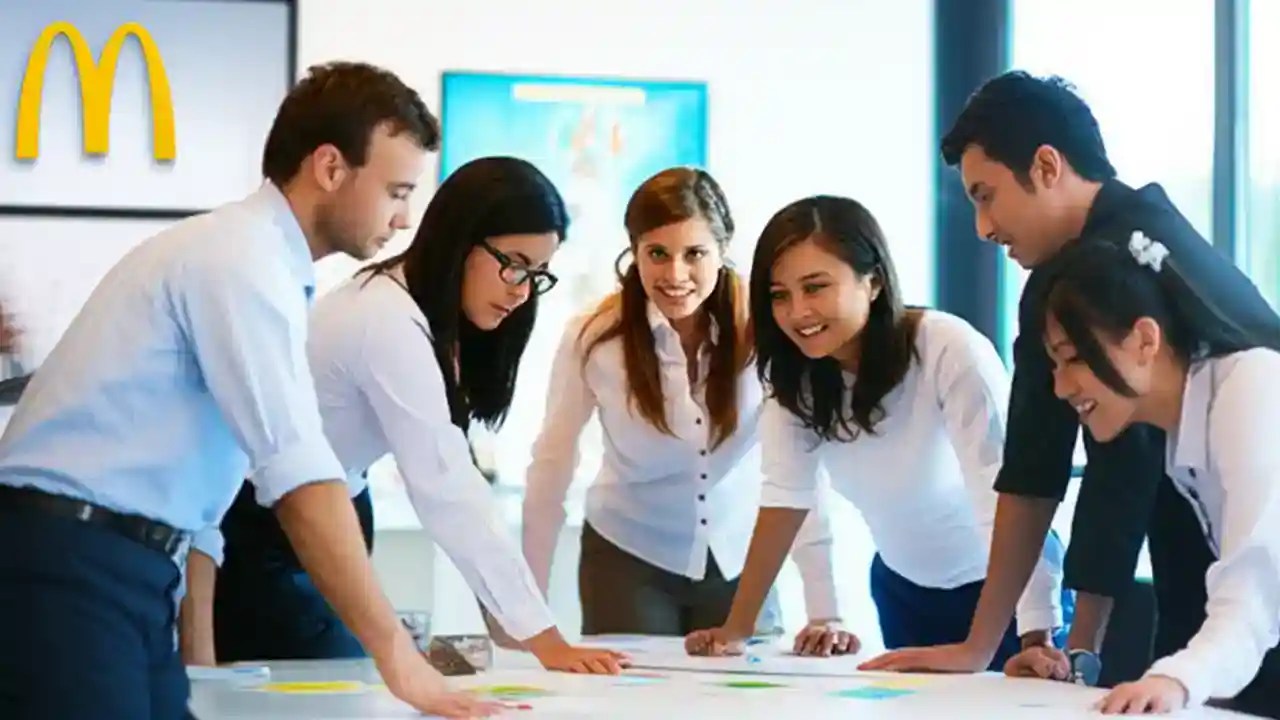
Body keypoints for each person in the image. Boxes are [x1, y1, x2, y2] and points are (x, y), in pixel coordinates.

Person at [0, 62, 502, 719]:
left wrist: (194, 651)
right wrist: (396, 655)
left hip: (125, 568)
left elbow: (206, 493)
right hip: (70, 565)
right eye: (397, 191)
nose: (404, 219)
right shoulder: (239, 261)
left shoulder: (260, 263)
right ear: (329, 167)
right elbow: (297, 472)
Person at [862, 70, 1280, 685]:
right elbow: (1042, 464)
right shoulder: (1115, 251)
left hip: (1244, 570)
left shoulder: (1123, 281)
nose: (983, 227)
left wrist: (1066, 648)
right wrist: (1028, 647)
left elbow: (1102, 467)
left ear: (1047, 166)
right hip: (1210, 572)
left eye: (986, 194)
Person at [183, 156, 628, 675]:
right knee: (344, 687)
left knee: (356, 680)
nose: (521, 289)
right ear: (462, 240)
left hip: (332, 508)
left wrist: (522, 625)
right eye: (513, 262)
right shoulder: (384, 318)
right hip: (263, 531)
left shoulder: (421, 312)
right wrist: (545, 639)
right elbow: (447, 486)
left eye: (537, 273)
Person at [683, 195, 1065, 666]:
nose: (798, 311)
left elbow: (1003, 497)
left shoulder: (948, 348)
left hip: (1007, 594)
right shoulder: (794, 377)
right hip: (902, 590)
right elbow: (786, 498)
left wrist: (1035, 634)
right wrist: (735, 630)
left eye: (815, 287)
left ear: (874, 282)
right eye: (779, 295)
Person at [522, 167, 845, 647]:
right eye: (657, 254)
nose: (675, 275)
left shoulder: (767, 334)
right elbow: (552, 464)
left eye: (694, 254)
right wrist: (525, 606)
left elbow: (798, 469)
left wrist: (826, 613)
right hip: (628, 556)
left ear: (723, 248)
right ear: (634, 253)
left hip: (740, 558)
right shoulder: (594, 338)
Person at [1039, 235, 1280, 717]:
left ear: (1146, 339)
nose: (1062, 387)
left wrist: (1178, 677)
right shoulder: (1181, 434)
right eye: (1054, 364)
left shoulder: (1250, 388)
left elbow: (1257, 588)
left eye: (1075, 358)